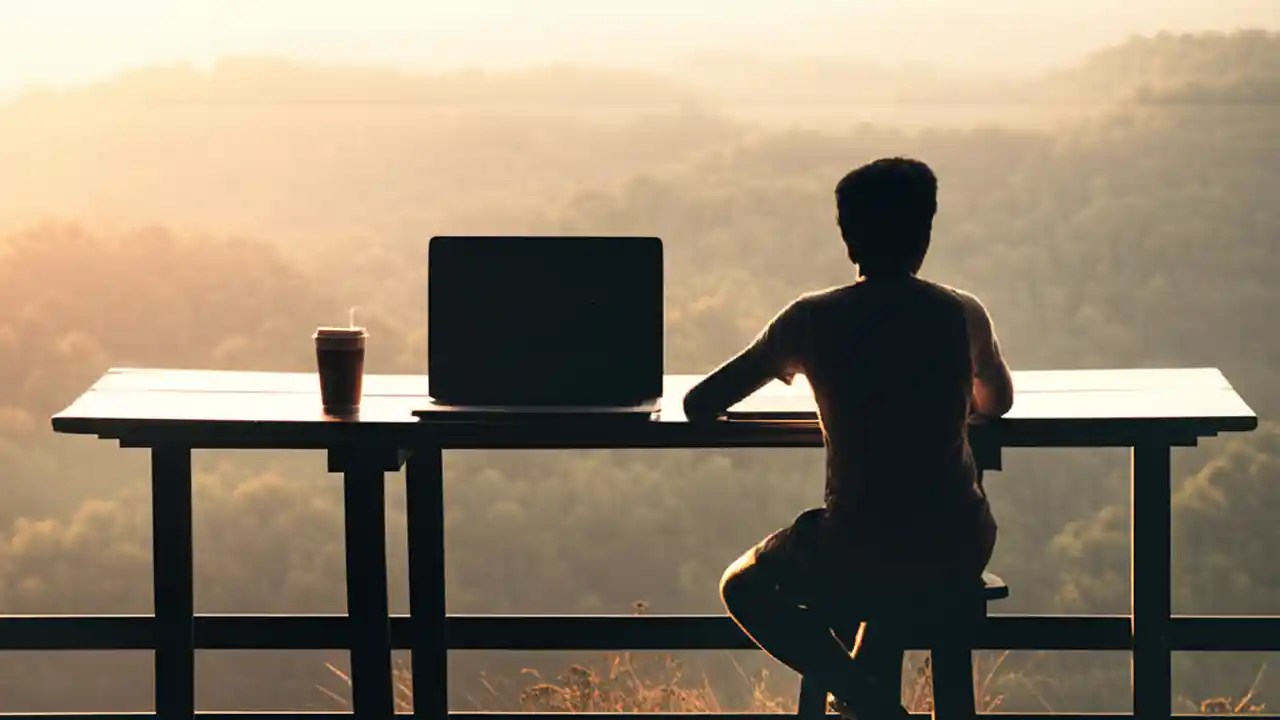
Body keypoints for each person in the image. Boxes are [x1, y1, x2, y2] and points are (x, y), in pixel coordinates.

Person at [683, 157, 1013, 719]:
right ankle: (865, 699)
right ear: (925, 233)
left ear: (848, 238)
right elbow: (996, 402)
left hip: (859, 545)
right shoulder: (961, 313)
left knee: (741, 588)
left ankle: (867, 701)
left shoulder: (809, 319)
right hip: (958, 542)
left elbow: (701, 404)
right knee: (886, 588)